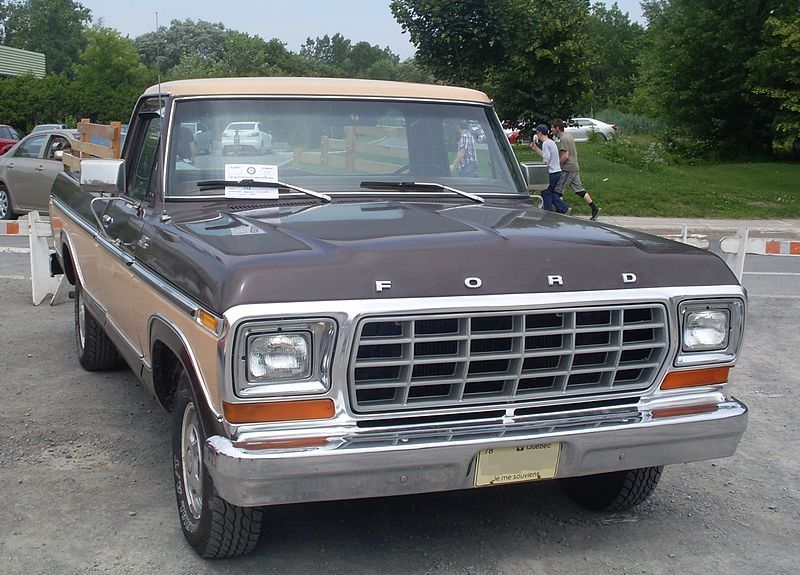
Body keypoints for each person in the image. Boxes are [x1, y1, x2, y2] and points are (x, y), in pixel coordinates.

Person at [551, 118, 601, 220]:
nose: (551, 129)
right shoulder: (569, 136)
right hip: (574, 166)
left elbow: (565, 156)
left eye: (552, 127)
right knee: (579, 190)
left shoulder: (563, 139)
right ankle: (594, 208)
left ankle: (562, 210)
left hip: (568, 168)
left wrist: (559, 165)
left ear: (557, 128)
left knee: (558, 191)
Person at [529, 124, 570, 214]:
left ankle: (551, 212)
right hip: (557, 171)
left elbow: (546, 160)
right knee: (552, 194)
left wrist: (542, 164)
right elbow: (545, 154)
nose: (536, 135)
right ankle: (563, 208)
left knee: (546, 194)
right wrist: (536, 148)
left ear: (540, 133)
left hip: (551, 173)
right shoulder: (551, 142)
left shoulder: (545, 144)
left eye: (537, 133)